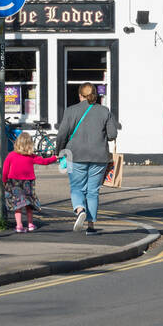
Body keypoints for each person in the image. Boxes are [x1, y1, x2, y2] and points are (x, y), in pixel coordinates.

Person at [54, 82, 117, 236]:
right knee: (93, 191)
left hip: (73, 155)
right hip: (99, 157)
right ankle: (91, 226)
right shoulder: (104, 111)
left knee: (76, 187)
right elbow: (112, 135)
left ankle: (80, 209)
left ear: (80, 95)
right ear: (95, 94)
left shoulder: (70, 111)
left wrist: (59, 151)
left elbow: (62, 134)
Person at [2, 131, 58, 232]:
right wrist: (54, 158)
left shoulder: (11, 155)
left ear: (17, 143)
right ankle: (30, 224)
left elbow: (5, 170)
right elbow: (44, 161)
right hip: (28, 183)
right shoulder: (31, 156)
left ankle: (19, 226)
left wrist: (4, 181)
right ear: (30, 145)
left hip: (14, 182)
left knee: (17, 205)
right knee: (29, 204)